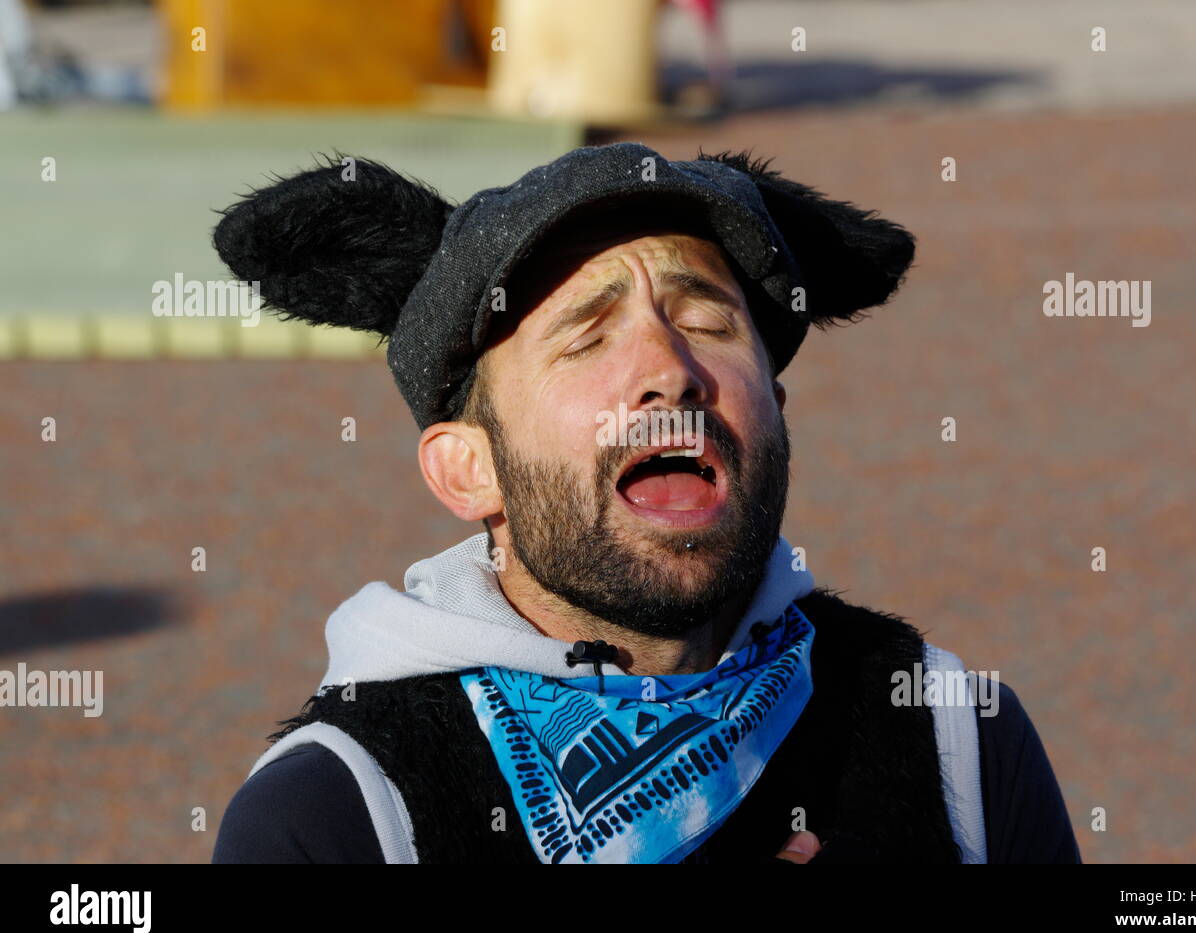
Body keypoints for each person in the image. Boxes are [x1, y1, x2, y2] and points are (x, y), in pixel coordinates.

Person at [209, 142, 1080, 864]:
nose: (669, 371)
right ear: (468, 471)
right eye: (586, 339)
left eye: (707, 325)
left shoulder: (948, 730)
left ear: (779, 415)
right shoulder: (339, 812)